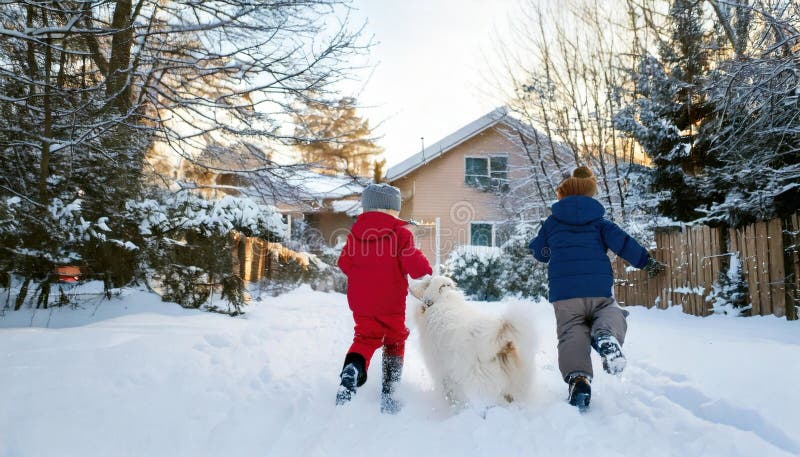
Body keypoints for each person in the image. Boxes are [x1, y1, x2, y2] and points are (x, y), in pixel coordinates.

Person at [530, 166, 665, 410]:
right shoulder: (599, 223)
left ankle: (578, 379)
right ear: (591, 193)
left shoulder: (552, 223)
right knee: (610, 312)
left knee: (571, 331)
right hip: (597, 288)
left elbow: (541, 253)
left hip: (565, 293)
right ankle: (606, 336)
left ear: (562, 194)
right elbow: (623, 243)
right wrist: (647, 262)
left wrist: (541, 246)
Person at [335, 183, 432, 414]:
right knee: (394, 339)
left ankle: (352, 369)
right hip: (390, 303)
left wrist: (363, 276)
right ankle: (390, 393)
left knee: (365, 338)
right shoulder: (401, 234)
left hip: (361, 303)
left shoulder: (356, 234)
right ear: (392, 210)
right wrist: (427, 271)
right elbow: (418, 268)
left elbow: (344, 263)